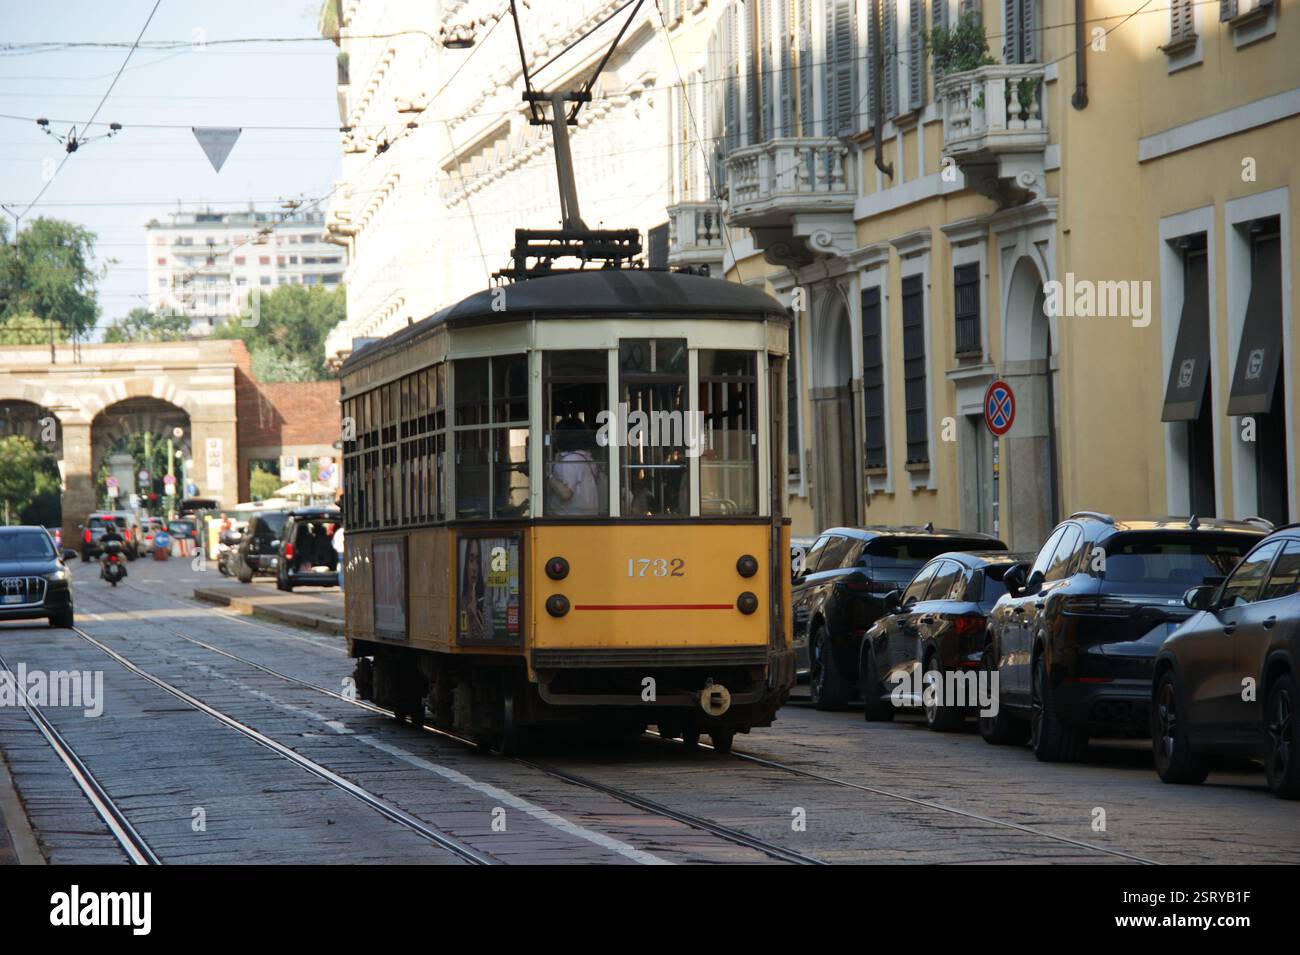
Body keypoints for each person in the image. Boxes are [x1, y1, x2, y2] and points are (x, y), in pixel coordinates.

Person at [547, 419, 602, 516]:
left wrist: (548, 477)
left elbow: (565, 493)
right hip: (587, 517)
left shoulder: (571, 460)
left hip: (569, 519)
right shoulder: (586, 457)